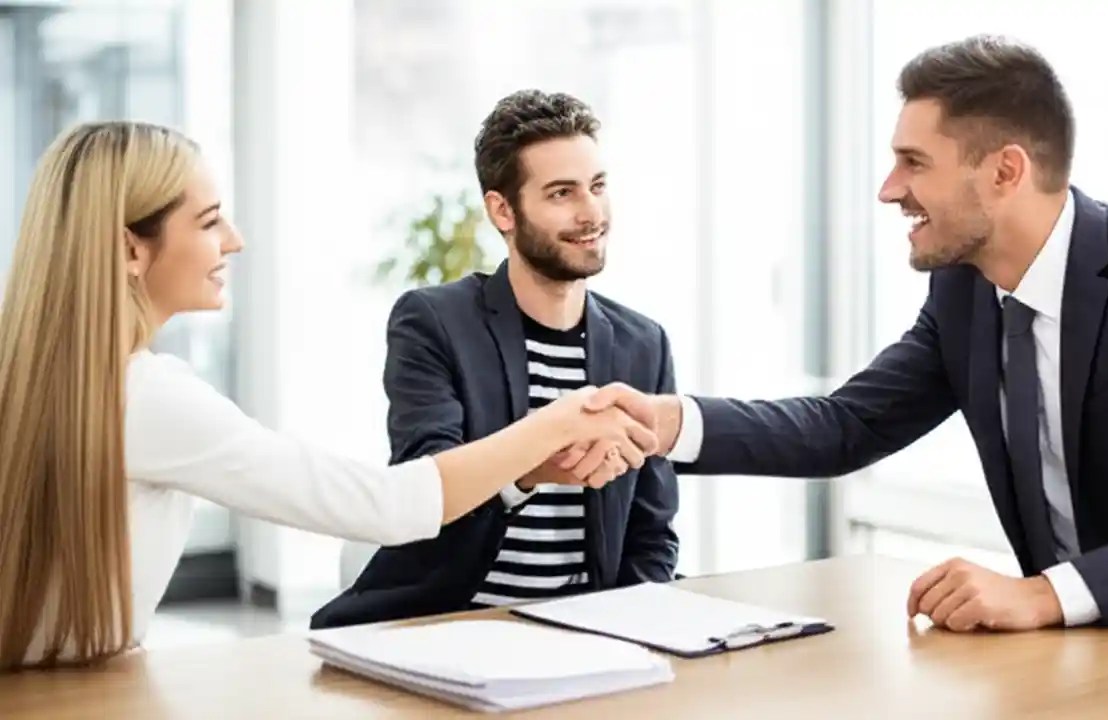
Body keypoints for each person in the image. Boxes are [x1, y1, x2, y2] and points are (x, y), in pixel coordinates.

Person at [578, 34, 1108, 632]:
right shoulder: (964, 292)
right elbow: (848, 425)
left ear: (1006, 170)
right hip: (1081, 649)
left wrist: (1043, 594)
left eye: (914, 162)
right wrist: (671, 424)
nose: (889, 188)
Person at [0, 121, 655, 671]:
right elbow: (393, 505)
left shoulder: (54, 379)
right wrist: (563, 418)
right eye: (208, 221)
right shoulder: (149, 398)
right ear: (128, 250)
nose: (233, 239)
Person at [310, 90, 680, 629]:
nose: (591, 212)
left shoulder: (644, 343)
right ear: (502, 210)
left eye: (597, 187)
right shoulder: (433, 322)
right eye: (561, 193)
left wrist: (634, 636)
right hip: (452, 626)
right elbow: (425, 487)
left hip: (589, 635)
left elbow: (652, 532)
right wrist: (529, 467)